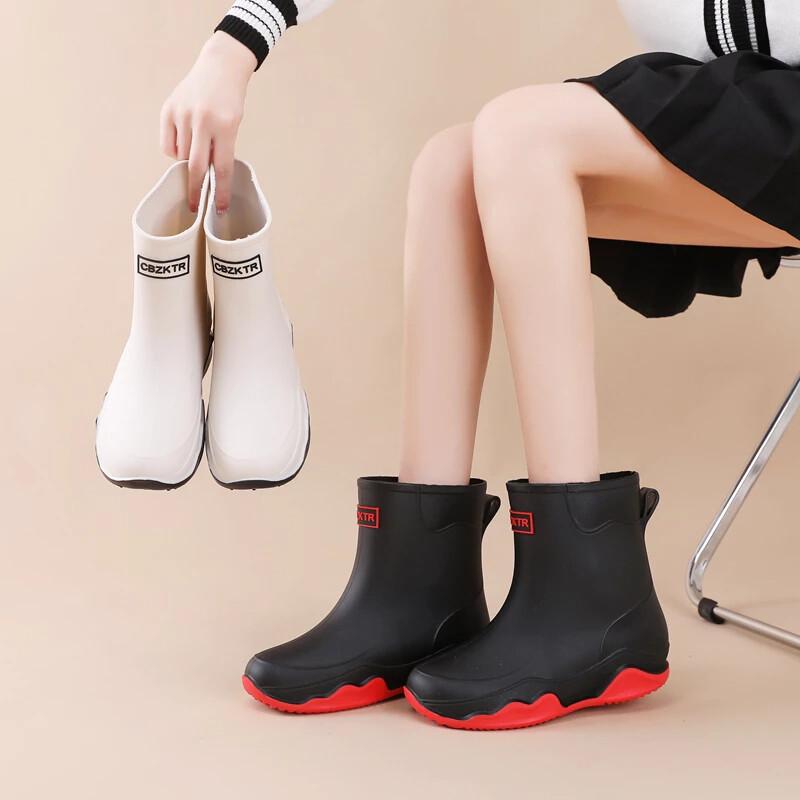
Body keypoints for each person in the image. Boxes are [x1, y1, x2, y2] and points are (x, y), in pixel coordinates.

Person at [161, 1, 800, 730]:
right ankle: (419, 592)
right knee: (453, 166)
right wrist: (235, 45)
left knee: (521, 134)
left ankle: (589, 598)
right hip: (742, 107)